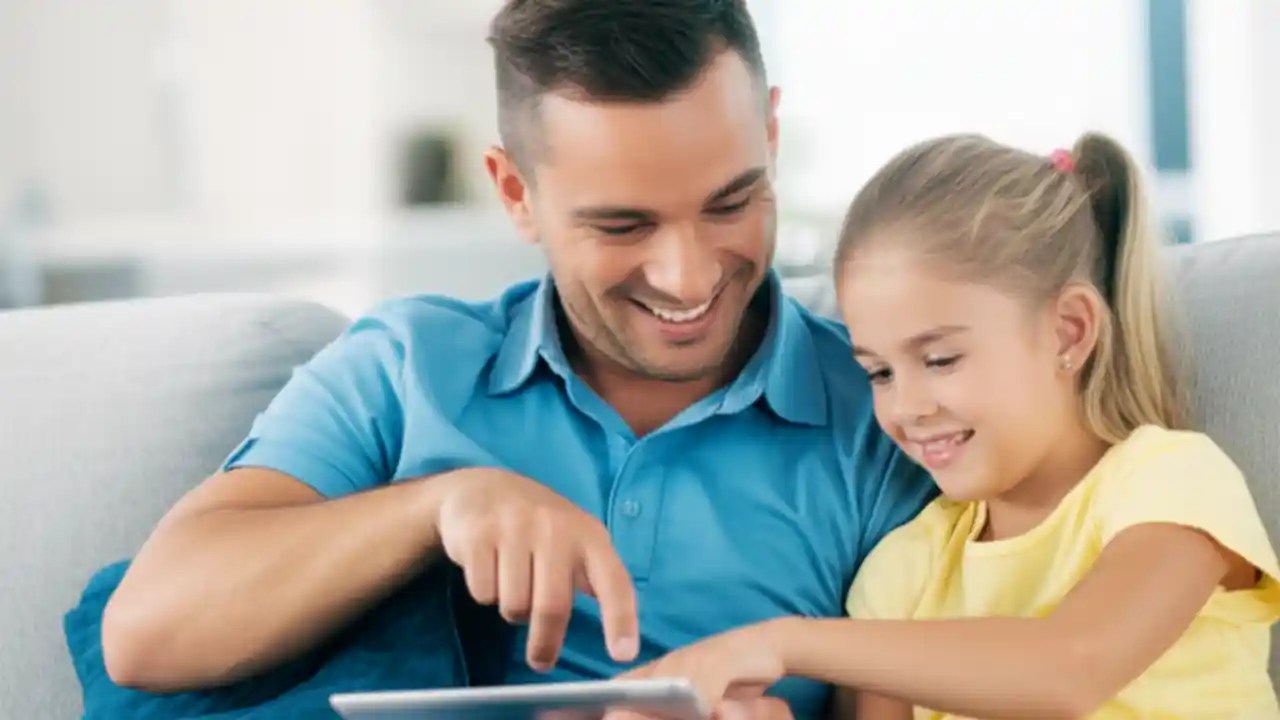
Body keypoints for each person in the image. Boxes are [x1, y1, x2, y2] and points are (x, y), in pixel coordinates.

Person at [97, 2, 935, 718]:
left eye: (732, 202)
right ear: (515, 194)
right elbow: (145, 633)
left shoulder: (894, 414)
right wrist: (438, 507)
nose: (688, 276)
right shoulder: (406, 371)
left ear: (771, 137)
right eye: (623, 225)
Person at [619, 132, 1280, 717]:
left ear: (1068, 331)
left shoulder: (1169, 483)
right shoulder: (905, 571)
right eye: (879, 372)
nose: (906, 406)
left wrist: (783, 643)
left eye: (939, 359)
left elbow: (1070, 670)